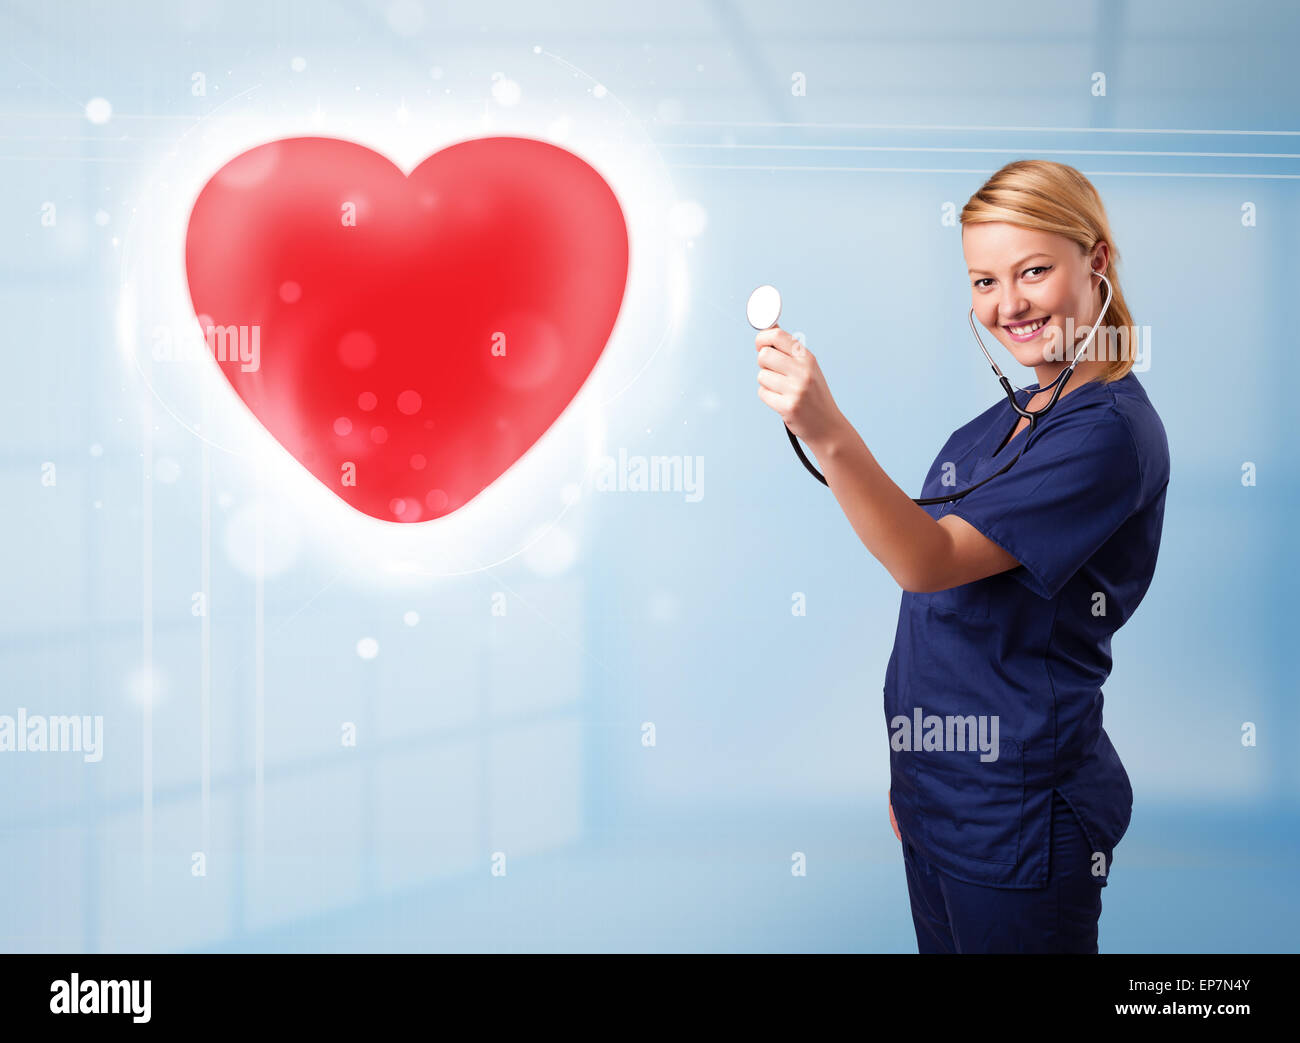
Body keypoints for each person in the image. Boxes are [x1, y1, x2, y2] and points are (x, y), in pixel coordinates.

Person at [754, 159, 1169, 953]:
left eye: (1033, 271)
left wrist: (826, 429)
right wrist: (914, 766)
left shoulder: (1108, 434)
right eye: (983, 281)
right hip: (940, 793)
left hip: (1016, 812)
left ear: (1098, 262)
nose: (1006, 304)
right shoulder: (1002, 422)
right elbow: (942, 616)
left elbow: (925, 561)